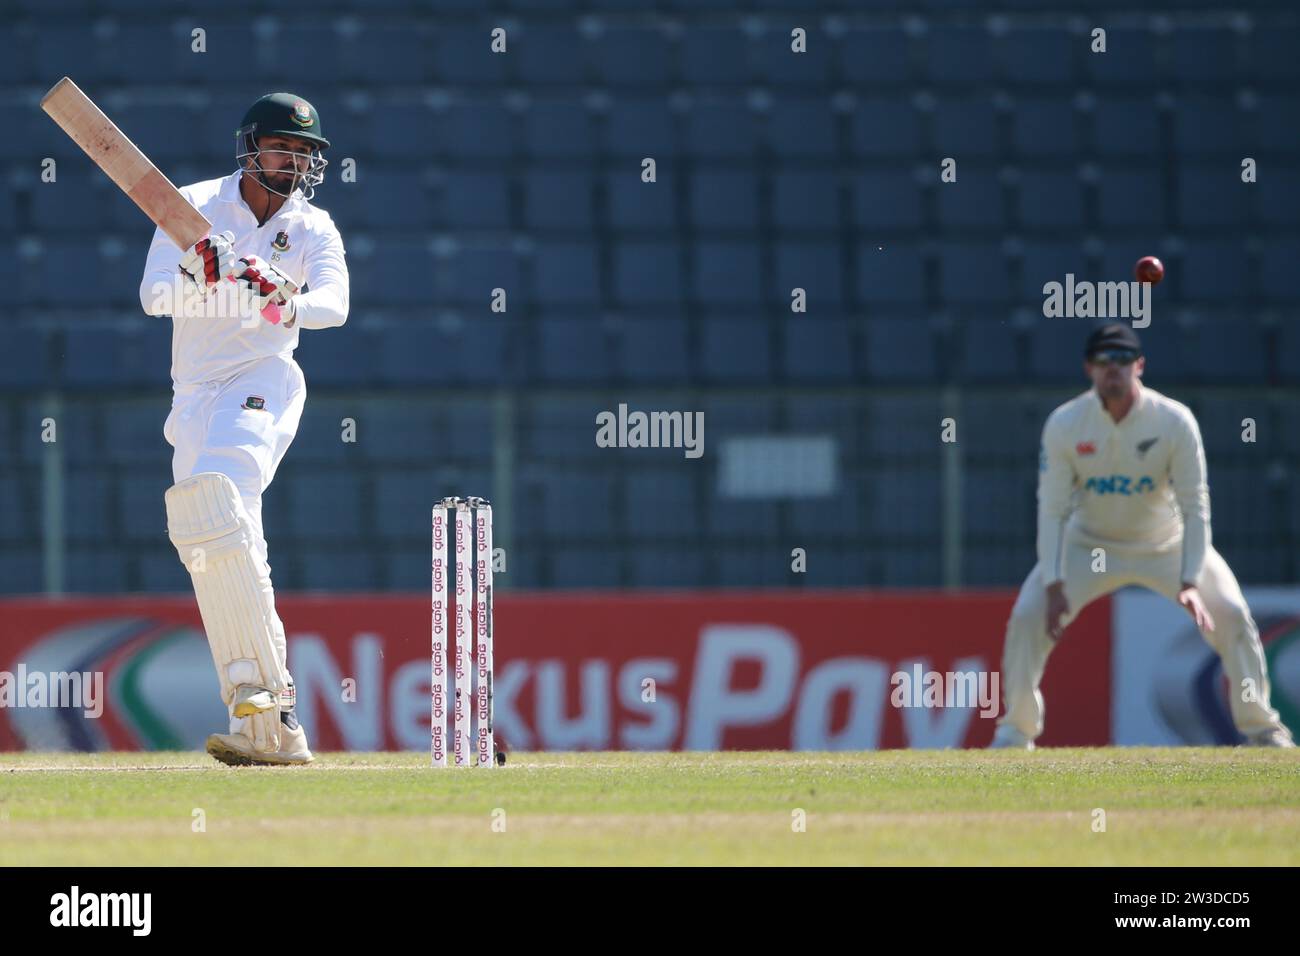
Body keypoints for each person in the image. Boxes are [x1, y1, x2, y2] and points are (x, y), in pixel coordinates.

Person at [138, 92, 349, 765]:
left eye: (306, 153)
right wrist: (204, 277)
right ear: (251, 147)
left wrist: (283, 302)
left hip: (263, 380)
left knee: (220, 496)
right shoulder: (193, 206)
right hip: (194, 395)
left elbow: (334, 308)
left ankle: (272, 707)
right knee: (212, 538)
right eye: (285, 148)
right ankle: (265, 721)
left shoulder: (313, 228)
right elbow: (153, 297)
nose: (296, 163)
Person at [991, 323, 1294, 749]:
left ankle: (1262, 729)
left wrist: (1189, 581)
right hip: (1089, 544)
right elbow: (1053, 508)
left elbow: (1195, 506)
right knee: (1027, 617)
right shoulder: (1066, 423)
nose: (1111, 369)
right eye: (1102, 361)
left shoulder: (1173, 421)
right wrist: (1055, 582)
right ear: (1088, 369)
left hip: (1166, 543)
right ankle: (1015, 732)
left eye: (1121, 359)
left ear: (1140, 366)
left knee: (1229, 612)